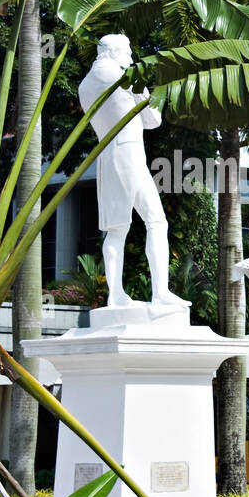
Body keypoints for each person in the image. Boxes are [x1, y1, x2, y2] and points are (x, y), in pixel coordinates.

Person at [77, 34, 189, 309]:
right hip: (130, 154)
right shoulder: (126, 77)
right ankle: (160, 292)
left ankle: (115, 295)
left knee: (116, 230)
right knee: (156, 221)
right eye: (127, 52)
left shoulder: (85, 85)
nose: (130, 57)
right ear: (114, 52)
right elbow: (153, 120)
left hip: (106, 157)